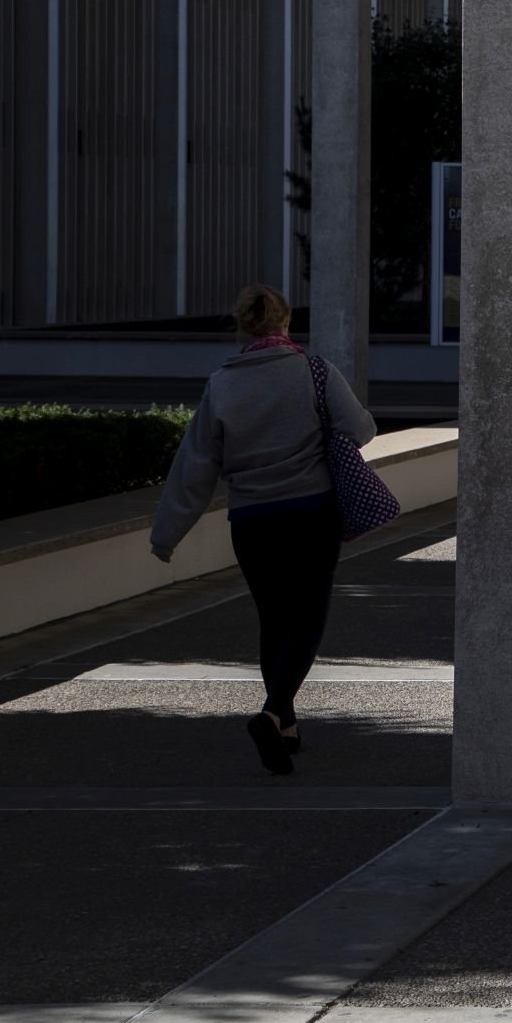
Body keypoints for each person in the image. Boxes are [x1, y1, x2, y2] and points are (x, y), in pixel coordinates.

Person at [149, 285, 377, 777]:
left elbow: (194, 467)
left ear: (242, 327)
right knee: (307, 619)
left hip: (252, 522)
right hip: (311, 514)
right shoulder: (314, 370)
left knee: (274, 620)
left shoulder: (222, 384)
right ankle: (272, 713)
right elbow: (360, 429)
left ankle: (286, 728)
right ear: (286, 323)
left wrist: (166, 535)